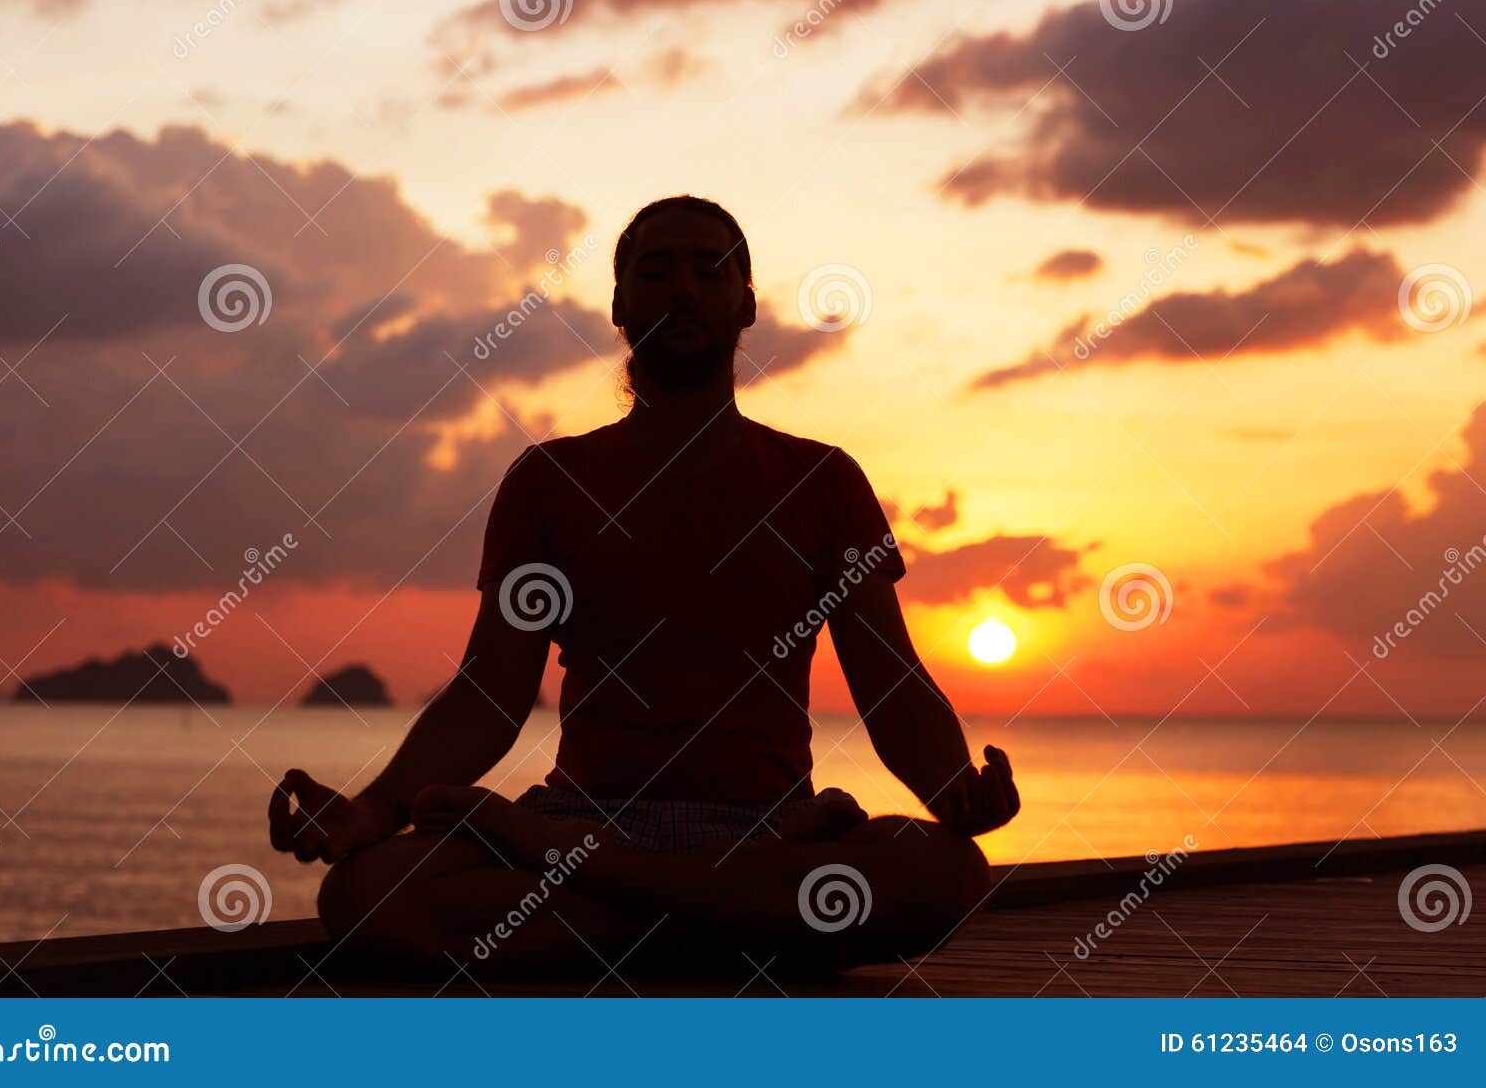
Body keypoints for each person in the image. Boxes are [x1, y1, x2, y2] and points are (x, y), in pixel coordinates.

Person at [268, 195, 1020, 979]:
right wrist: (372, 810)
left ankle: (621, 911)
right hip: (590, 823)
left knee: (944, 870)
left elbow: (890, 682)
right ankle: (726, 922)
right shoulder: (550, 481)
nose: (684, 290)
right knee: (366, 892)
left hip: (761, 829)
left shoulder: (823, 481)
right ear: (622, 304)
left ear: (748, 303)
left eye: (710, 269)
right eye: (656, 272)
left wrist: (953, 788)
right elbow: (490, 692)